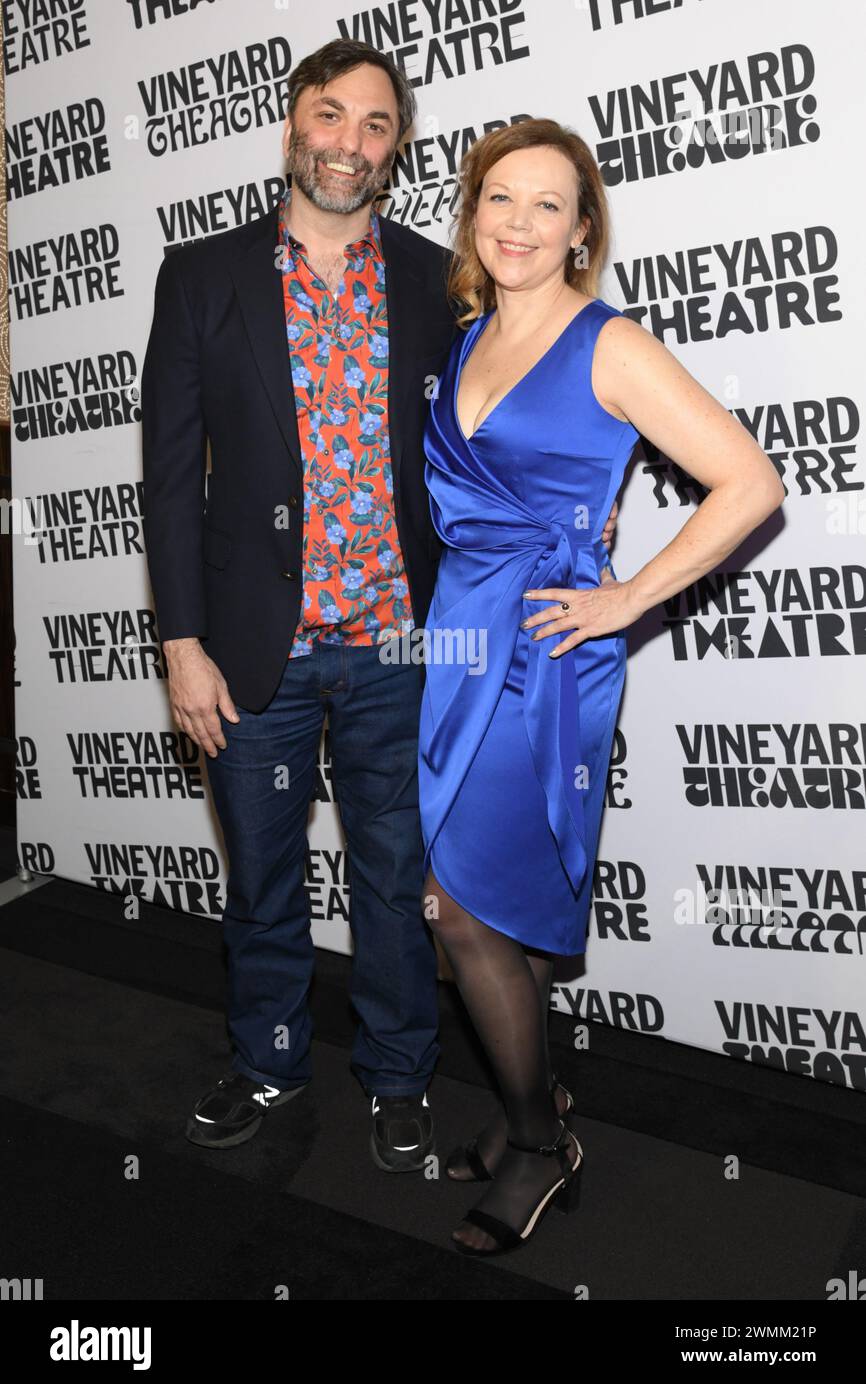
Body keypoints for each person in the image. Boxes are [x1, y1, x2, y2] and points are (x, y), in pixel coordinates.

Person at [140, 38, 623, 1171]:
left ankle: (400, 1077)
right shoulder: (201, 275)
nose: (346, 143)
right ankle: (265, 1059)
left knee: (397, 879)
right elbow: (168, 471)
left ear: (392, 146)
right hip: (253, 647)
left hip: (410, 644)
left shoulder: (434, 279)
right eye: (328, 115)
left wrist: (577, 522)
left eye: (372, 124)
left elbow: (501, 425)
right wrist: (180, 641)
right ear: (292, 125)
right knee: (259, 874)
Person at [418, 117, 785, 1256]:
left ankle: (538, 1143)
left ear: (582, 230)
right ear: (473, 214)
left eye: (546, 204)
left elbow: (748, 482)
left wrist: (626, 598)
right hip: (455, 642)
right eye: (499, 198)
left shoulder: (607, 343)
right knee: (474, 903)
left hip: (541, 659)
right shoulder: (466, 333)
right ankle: (535, 1104)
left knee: (468, 907)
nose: (518, 222)